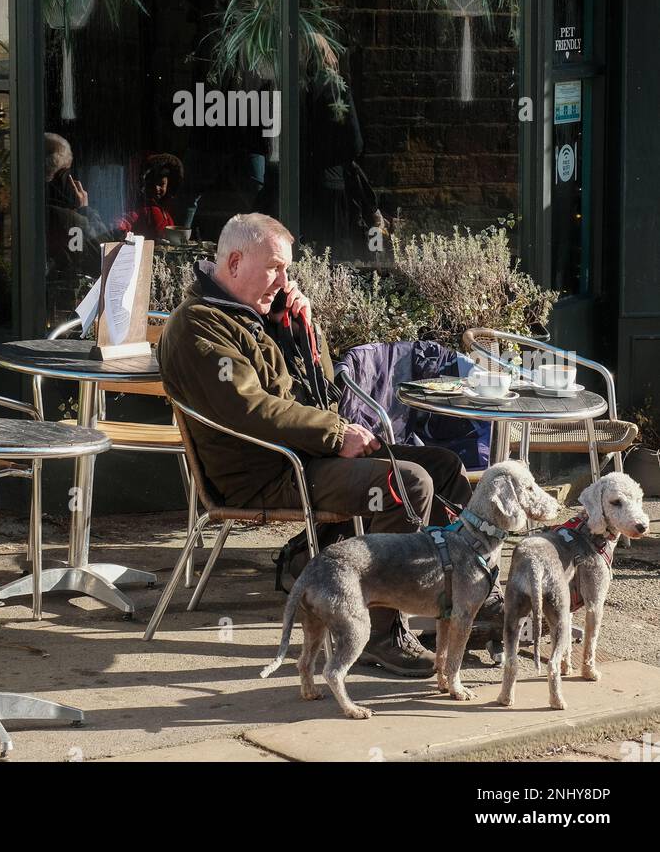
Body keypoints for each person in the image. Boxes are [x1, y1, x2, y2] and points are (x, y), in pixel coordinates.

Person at [157, 211, 476, 675]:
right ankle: (378, 634)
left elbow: (325, 395)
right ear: (234, 263)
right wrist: (334, 434)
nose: (284, 280)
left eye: (287, 268)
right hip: (265, 473)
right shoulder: (199, 326)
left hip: (303, 457)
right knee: (406, 483)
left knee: (444, 466)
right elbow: (252, 410)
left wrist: (307, 334)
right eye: (275, 268)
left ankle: (460, 601)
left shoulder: (256, 315)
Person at [45, 132, 110, 281]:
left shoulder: (29, 209)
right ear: (64, 176)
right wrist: (85, 210)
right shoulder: (71, 220)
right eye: (68, 173)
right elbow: (106, 257)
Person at [117, 152, 184, 240]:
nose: (156, 188)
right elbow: (127, 219)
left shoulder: (168, 209)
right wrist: (119, 227)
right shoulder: (143, 208)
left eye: (161, 184)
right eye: (152, 184)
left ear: (168, 184)